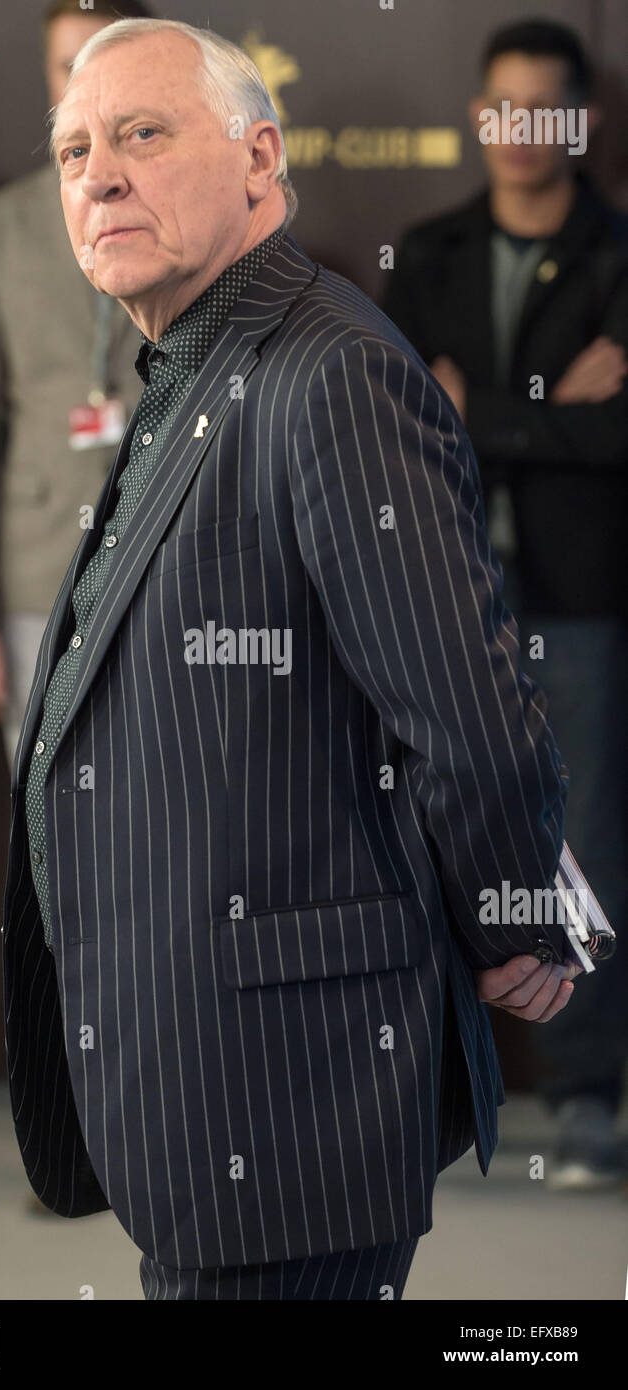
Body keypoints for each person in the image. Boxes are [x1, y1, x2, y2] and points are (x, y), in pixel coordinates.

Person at [1, 17, 581, 1301]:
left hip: (284, 1096)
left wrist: (507, 911)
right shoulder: (198, 357)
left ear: (260, 159)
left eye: (142, 134)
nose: (97, 175)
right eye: (72, 148)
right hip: (202, 1090)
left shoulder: (327, 375)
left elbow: (465, 707)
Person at [381, 18, 627, 1191]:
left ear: (575, 121)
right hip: (440, 596)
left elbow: (617, 432)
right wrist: (550, 420)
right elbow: (392, 431)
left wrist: (474, 410)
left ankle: (583, 1093)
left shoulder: (618, 252)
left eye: (546, 108)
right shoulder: (423, 255)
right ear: (479, 117)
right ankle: (422, 1090)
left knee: (589, 853)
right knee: (422, 836)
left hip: (580, 597)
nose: (521, 131)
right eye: (503, 107)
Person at [0, 0, 147, 768]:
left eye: (105, 54)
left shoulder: (186, 210)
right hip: (34, 580)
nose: (84, 76)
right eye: (66, 63)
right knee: (54, 840)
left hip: (168, 574)